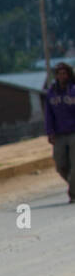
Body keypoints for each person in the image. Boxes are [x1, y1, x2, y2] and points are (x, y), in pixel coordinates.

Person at [44, 62, 75, 203]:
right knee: (60, 165)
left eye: (64, 73)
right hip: (59, 134)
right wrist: (50, 132)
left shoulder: (73, 90)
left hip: (74, 133)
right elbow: (49, 114)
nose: (62, 76)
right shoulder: (51, 93)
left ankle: (73, 193)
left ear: (68, 74)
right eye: (59, 74)